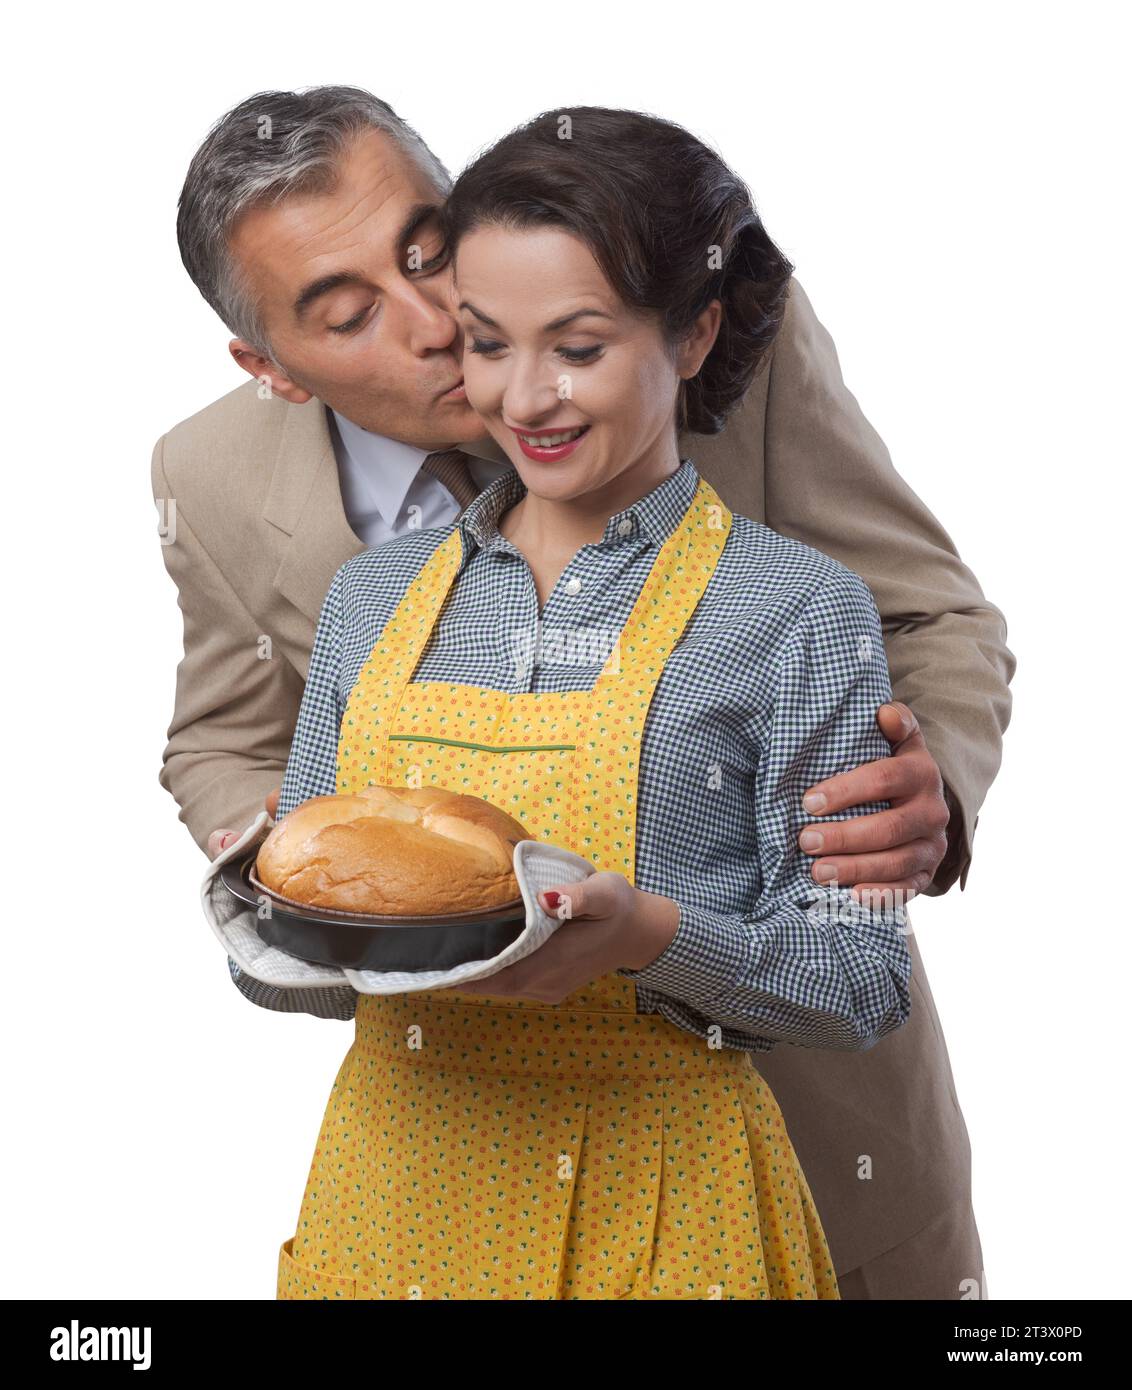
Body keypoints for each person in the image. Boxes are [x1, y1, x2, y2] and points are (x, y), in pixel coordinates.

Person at [153, 86, 1014, 1297]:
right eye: (348, 316)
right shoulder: (226, 486)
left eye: (428, 252)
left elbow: (929, 615)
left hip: (782, 1116)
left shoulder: (702, 346)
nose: (439, 329)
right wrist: (310, 886)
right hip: (432, 1155)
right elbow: (222, 735)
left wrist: (912, 795)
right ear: (273, 367)